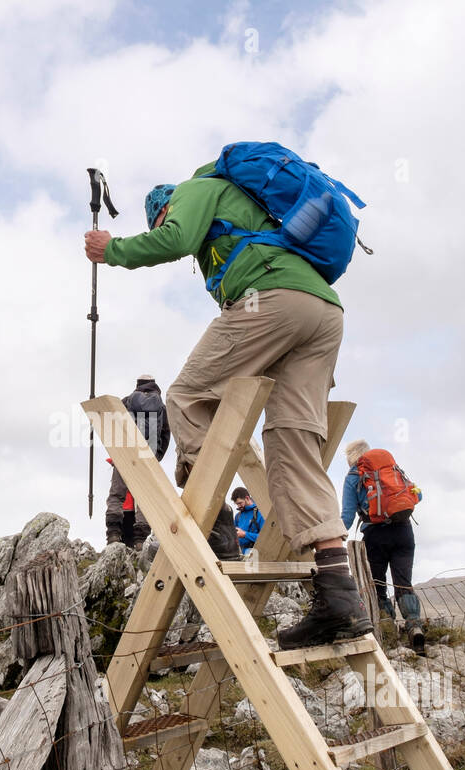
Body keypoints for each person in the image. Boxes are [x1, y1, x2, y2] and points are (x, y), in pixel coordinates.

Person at [84, 168, 372, 643]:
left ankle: (214, 518)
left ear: (162, 208)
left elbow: (174, 239)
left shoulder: (197, 189)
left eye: (160, 220)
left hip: (270, 299)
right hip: (323, 313)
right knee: (292, 439)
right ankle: (340, 595)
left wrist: (111, 249)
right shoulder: (247, 210)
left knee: (186, 396)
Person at [341, 439, 426, 652]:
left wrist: (334, 537)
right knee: (403, 582)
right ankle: (414, 625)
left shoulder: (353, 476)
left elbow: (348, 516)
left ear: (350, 457)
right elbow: (418, 495)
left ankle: (387, 631)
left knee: (378, 585)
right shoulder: (392, 469)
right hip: (403, 531)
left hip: (375, 535)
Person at [106, 375, 170, 549]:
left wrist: (116, 452)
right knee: (144, 497)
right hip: (148, 453)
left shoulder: (125, 402)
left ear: (137, 385)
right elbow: (165, 434)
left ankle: (113, 534)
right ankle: (141, 540)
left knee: (116, 494)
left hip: (126, 451)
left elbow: (111, 426)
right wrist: (157, 457)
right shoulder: (161, 407)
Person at [230, 487, 263, 555]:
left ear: (247, 498)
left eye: (240, 503)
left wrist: (245, 534)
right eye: (236, 504)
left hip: (255, 556)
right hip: (239, 555)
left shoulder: (261, 513)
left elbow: (265, 538)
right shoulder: (237, 516)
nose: (238, 506)